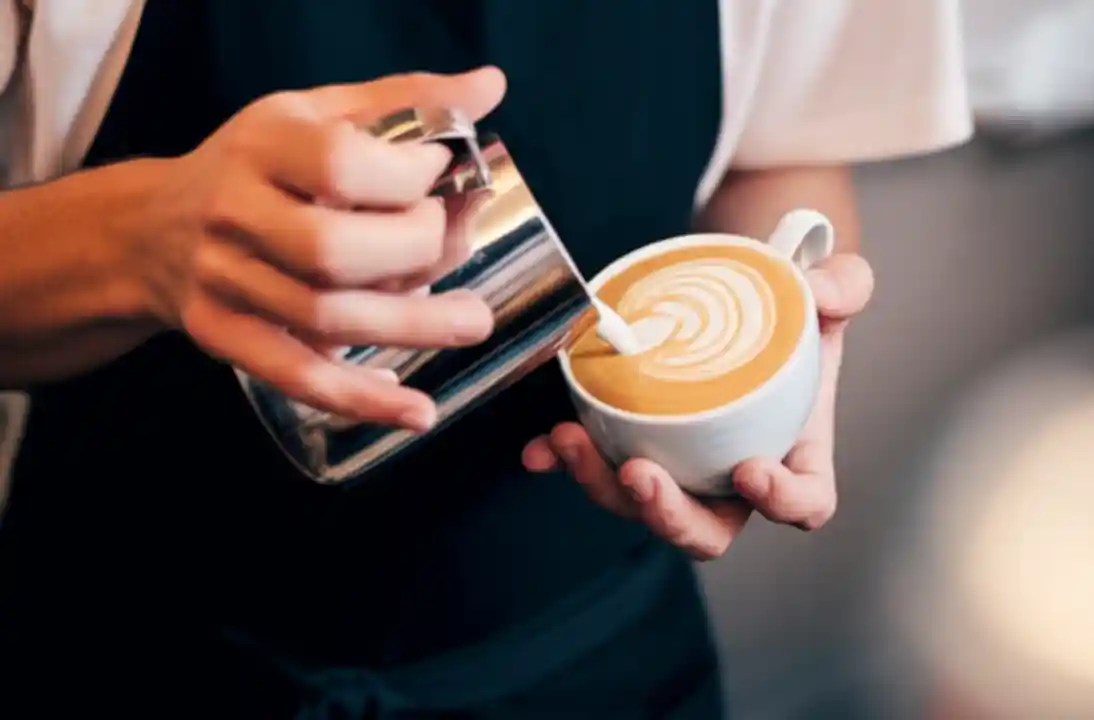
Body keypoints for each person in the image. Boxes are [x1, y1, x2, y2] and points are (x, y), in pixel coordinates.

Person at [0, 1, 971, 716]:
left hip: (596, 662)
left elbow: (786, 145)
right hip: (122, 654)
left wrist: (774, 366)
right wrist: (147, 242)